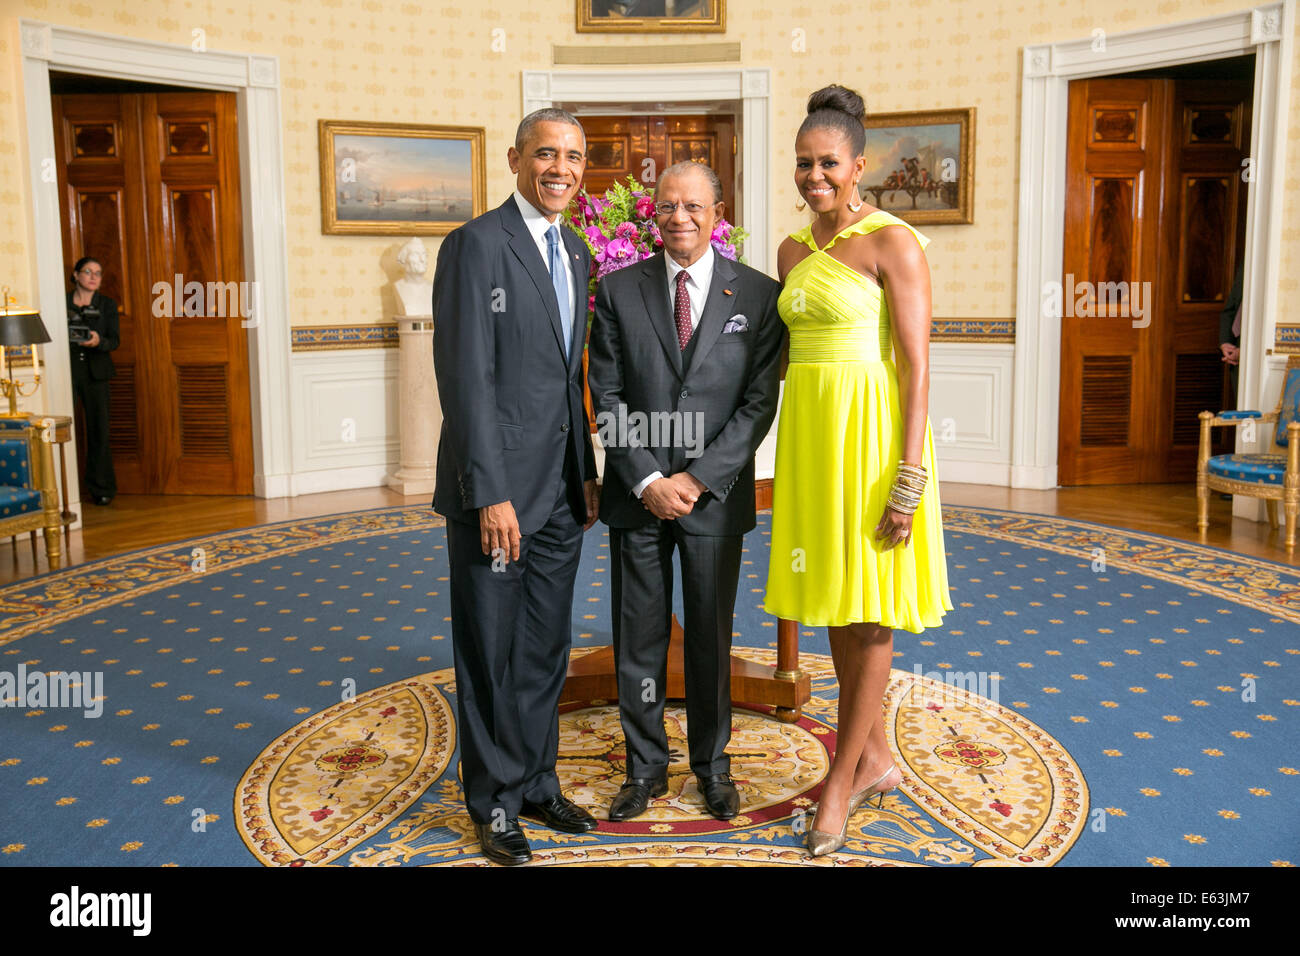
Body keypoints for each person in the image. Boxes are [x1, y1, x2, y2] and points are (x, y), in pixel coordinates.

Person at [763, 85, 952, 857]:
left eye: (829, 162)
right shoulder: (790, 252)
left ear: (858, 165)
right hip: (811, 440)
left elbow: (916, 367)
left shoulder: (893, 241)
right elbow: (773, 358)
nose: (815, 175)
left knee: (871, 608)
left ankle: (840, 781)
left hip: (874, 443)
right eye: (805, 163)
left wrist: (908, 478)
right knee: (836, 598)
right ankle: (875, 757)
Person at [587, 161, 783, 822]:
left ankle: (713, 766)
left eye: (693, 206)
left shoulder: (757, 296)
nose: (679, 217)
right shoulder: (616, 291)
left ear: (717, 212)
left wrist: (696, 480)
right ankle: (644, 769)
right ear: (654, 214)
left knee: (709, 634)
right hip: (635, 496)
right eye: (667, 205)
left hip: (713, 496)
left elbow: (757, 406)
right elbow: (606, 395)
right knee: (637, 637)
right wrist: (646, 479)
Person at [431, 108, 600, 866]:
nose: (558, 168)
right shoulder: (475, 246)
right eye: (544, 154)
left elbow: (571, 380)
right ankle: (494, 801)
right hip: (498, 495)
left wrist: (587, 476)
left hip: (562, 492)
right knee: (491, 653)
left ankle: (535, 779)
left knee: (543, 650)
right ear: (514, 160)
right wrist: (488, 493)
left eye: (571, 156)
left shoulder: (576, 250)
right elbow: (465, 378)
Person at [65, 256, 119, 506]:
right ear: (76, 275)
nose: (93, 277)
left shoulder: (107, 305)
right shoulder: (61, 301)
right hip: (68, 371)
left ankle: (102, 488)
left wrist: (99, 341)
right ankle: (66, 491)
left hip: (97, 374)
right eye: (88, 271)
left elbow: (114, 340)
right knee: (63, 429)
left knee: (99, 431)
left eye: (98, 273)